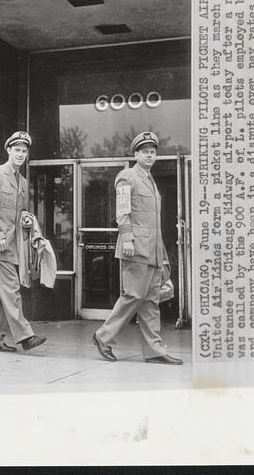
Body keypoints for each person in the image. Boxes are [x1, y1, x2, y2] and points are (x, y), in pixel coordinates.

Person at [92, 131, 183, 365]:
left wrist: (162, 255)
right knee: (133, 295)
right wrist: (128, 238)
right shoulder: (127, 176)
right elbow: (122, 211)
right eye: (145, 152)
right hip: (135, 247)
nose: (150, 155)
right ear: (136, 154)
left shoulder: (151, 180)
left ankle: (154, 350)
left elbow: (154, 223)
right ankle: (103, 336)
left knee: (151, 302)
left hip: (152, 251)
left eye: (153, 152)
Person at [0, 131, 46, 353]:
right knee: (12, 289)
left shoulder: (23, 182)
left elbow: (19, 214)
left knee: (0, 295)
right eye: (17, 150)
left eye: (24, 151)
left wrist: (27, 220)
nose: (20, 154)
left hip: (12, 246)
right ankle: (25, 336)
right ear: (8, 150)